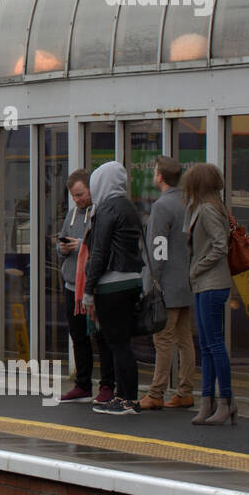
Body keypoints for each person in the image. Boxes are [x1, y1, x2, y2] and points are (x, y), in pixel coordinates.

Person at [80, 161, 145, 416]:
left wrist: (88, 289)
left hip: (112, 284)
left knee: (117, 344)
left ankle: (127, 399)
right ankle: (123, 396)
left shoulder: (106, 209)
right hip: (131, 280)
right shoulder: (129, 207)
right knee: (123, 343)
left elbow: (99, 252)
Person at [184, 163, 237, 425]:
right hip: (204, 283)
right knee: (206, 345)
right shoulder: (203, 208)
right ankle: (208, 401)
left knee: (214, 344)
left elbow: (220, 246)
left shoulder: (208, 210)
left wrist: (197, 267)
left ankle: (224, 401)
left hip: (211, 283)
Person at [140, 156, 195, 410]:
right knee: (185, 340)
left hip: (167, 286)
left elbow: (157, 249)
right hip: (186, 282)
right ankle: (185, 390)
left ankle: (156, 393)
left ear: (160, 176)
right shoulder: (188, 202)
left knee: (162, 340)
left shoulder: (162, 207)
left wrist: (152, 282)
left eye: (154, 171)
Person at [57, 169, 115, 404]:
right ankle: (82, 384)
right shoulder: (71, 215)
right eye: (74, 196)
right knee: (78, 337)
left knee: (102, 337)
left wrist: (81, 244)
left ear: (92, 189)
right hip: (72, 285)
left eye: (81, 194)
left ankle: (107, 385)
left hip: (95, 286)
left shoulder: (101, 214)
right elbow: (60, 243)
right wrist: (61, 249)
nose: (78, 200)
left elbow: (103, 246)